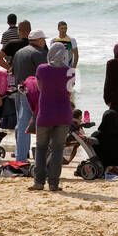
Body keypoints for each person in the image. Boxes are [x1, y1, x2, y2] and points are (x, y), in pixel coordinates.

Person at [32, 42, 75, 191]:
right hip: (64, 114)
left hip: (45, 114)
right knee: (58, 150)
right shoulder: (71, 71)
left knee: (41, 148)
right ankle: (53, 184)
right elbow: (70, 92)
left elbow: (39, 88)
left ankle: (38, 182)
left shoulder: (42, 69)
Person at [12, 29, 48, 162]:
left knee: (22, 125)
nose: (44, 42)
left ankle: (21, 157)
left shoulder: (19, 53)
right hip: (34, 93)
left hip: (20, 91)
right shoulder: (40, 53)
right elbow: (45, 75)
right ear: (39, 40)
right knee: (44, 125)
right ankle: (42, 157)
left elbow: (13, 72)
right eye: (43, 40)